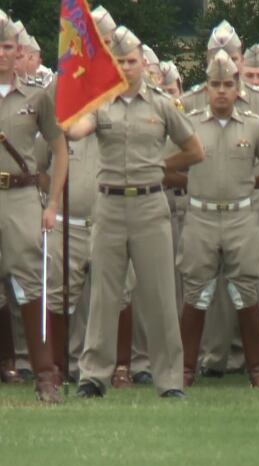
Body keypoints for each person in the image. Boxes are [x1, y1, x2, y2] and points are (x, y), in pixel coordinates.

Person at [66, 26, 204, 399]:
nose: (126, 67)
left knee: (159, 295)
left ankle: (170, 380)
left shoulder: (161, 104)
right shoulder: (101, 103)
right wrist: (67, 114)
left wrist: (161, 165)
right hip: (108, 205)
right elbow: (78, 130)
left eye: (132, 61)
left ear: (144, 63)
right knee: (104, 296)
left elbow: (195, 150)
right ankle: (93, 376)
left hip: (149, 205)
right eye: (120, 61)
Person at [178, 50, 259, 388]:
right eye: (215, 84)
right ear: (206, 88)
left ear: (238, 86)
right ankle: (183, 370)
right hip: (200, 214)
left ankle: (258, 370)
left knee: (246, 290)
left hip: (241, 215)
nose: (221, 91)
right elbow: (164, 165)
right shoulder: (189, 124)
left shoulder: (254, 125)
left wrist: (248, 183)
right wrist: (195, 183)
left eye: (228, 84)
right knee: (196, 290)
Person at [0, 10, 70, 403]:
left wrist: (53, 202)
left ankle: (45, 374)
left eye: (8, 46)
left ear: (19, 50)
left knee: (30, 283)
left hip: (23, 196)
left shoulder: (37, 96)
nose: (2, 53)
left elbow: (60, 150)